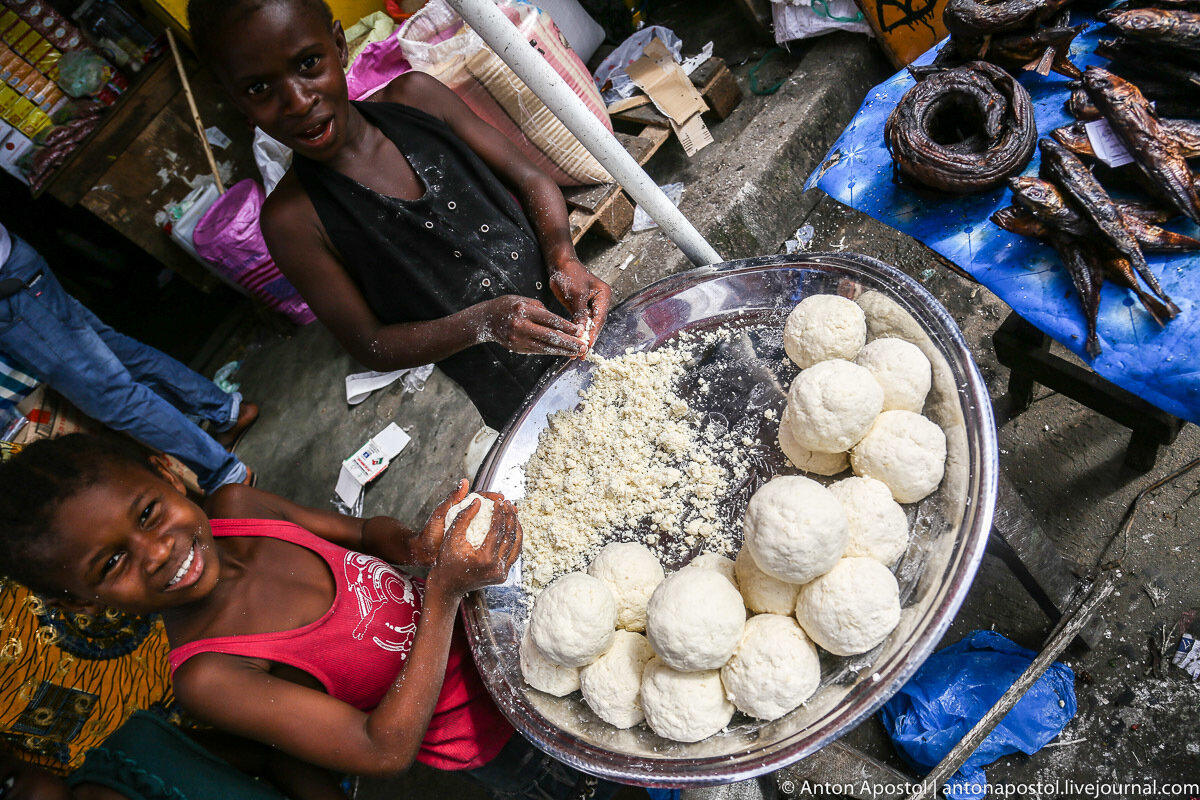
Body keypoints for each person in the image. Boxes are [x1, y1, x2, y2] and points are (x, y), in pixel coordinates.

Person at [0, 434, 616, 799]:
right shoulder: (209, 675)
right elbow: (381, 751)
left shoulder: (241, 507)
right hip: (492, 740)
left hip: (511, 642)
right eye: (112, 564)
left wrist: (418, 551)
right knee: (602, 783)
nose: (157, 551)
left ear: (167, 473)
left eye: (146, 515)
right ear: (82, 603)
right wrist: (444, 593)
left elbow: (364, 531)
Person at [185, 0, 613, 430]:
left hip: (578, 316)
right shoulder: (292, 221)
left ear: (339, 46)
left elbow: (530, 178)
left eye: (309, 63)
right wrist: (484, 323)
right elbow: (371, 344)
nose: (296, 101)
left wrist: (563, 258)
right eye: (259, 89)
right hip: (508, 384)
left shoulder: (419, 99)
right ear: (237, 103)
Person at [0, 223, 258, 491]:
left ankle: (225, 475)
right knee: (117, 354)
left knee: (109, 395)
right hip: (16, 274)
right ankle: (226, 413)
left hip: (11, 294)